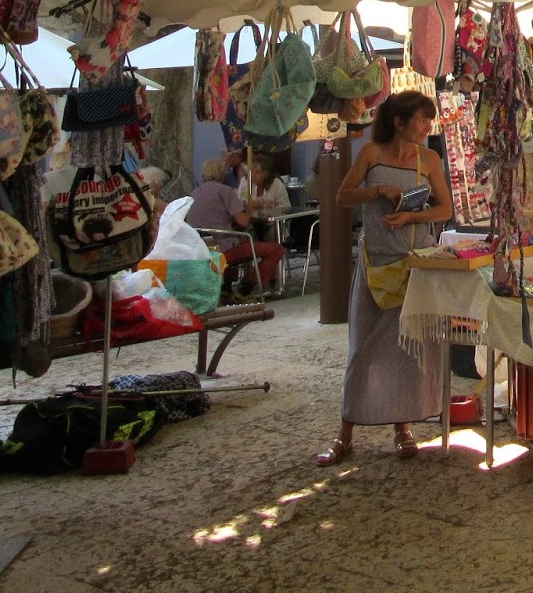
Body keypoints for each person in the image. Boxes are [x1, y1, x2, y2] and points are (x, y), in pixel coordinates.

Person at [315, 90, 453, 466]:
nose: (428, 127)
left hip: (414, 264)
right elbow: (343, 195)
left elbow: (445, 208)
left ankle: (402, 427)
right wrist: (378, 191)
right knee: (363, 349)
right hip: (376, 262)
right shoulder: (371, 154)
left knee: (407, 350)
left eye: (430, 120)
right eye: (422, 120)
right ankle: (345, 432)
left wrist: (411, 216)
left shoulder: (430, 159)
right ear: (399, 122)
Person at [183, 158, 284, 293]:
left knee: (237, 239)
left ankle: (227, 287)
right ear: (222, 173)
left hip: (201, 248)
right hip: (223, 249)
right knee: (275, 249)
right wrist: (248, 209)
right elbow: (243, 221)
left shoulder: (193, 194)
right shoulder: (226, 191)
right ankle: (248, 284)